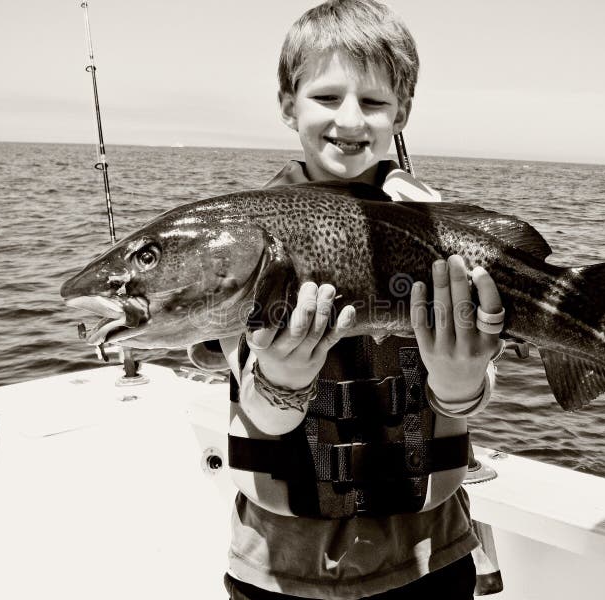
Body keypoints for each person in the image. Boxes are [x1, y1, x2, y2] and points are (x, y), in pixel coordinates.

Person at [217, 1, 505, 598]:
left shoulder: (436, 230)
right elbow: (263, 418)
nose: (350, 119)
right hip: (281, 568)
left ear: (402, 113)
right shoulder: (246, 239)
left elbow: (469, 398)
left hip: (432, 555)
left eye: (373, 102)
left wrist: (460, 378)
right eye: (326, 96)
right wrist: (280, 381)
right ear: (287, 103)